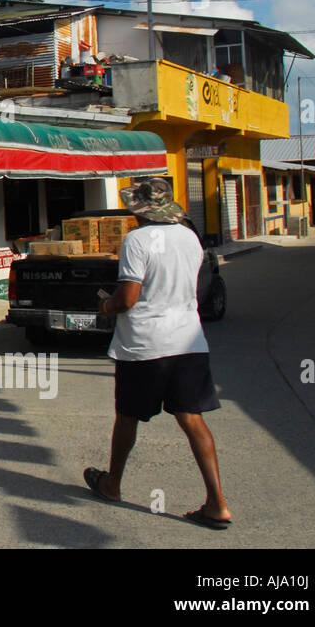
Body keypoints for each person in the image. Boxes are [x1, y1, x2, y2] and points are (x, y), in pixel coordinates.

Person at [83, 178, 233, 530]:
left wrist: (105, 306)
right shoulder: (189, 237)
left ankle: (112, 484)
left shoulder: (137, 240)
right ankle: (217, 502)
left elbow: (127, 299)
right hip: (189, 342)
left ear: (141, 211)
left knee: (128, 417)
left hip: (145, 345)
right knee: (192, 419)